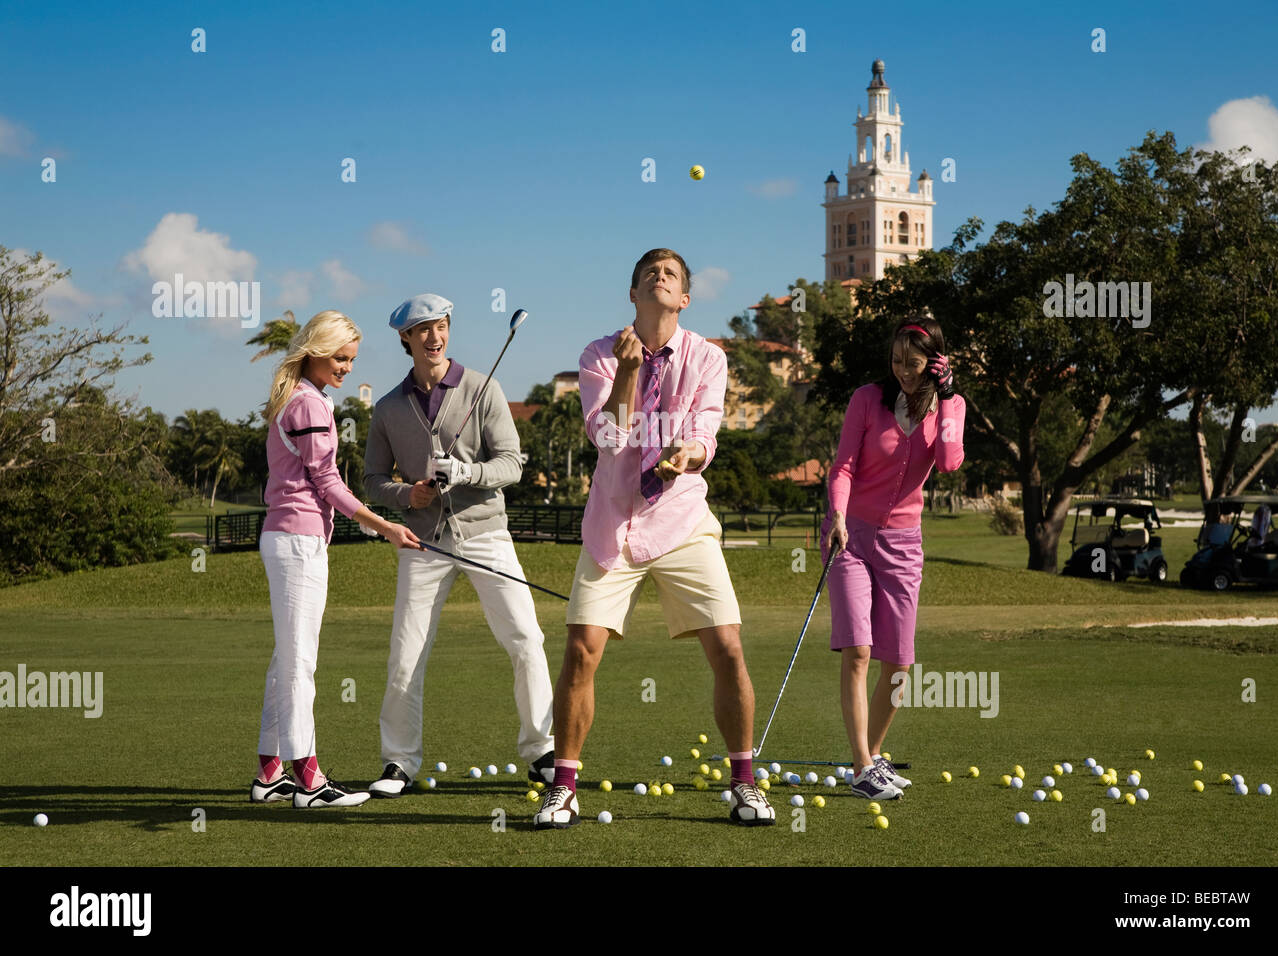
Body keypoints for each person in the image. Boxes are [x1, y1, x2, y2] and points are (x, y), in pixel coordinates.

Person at [533, 248, 775, 829]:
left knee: (729, 648)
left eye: (670, 275)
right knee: (581, 650)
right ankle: (563, 788)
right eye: (649, 274)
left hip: (682, 518)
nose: (659, 278)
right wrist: (628, 371)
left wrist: (686, 455)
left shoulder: (708, 357)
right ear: (634, 295)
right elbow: (610, 438)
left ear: (684, 298)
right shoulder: (599, 355)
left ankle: (744, 782)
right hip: (614, 521)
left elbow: (705, 434)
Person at [363, 294, 555, 797]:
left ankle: (541, 751)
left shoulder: (483, 387)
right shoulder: (387, 408)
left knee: (525, 638)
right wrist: (410, 493)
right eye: (422, 329)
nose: (434, 337)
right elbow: (372, 480)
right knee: (406, 653)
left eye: (441, 326)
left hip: (486, 532)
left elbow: (512, 464)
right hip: (422, 543)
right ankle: (399, 762)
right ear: (404, 338)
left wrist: (468, 472)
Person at [253, 310, 422, 809]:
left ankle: (269, 773)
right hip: (297, 542)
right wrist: (387, 526)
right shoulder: (308, 405)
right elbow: (328, 484)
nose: (347, 368)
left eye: (352, 359)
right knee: (300, 663)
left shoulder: (304, 398)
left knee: (288, 659)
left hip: (290, 538)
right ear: (316, 354)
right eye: (340, 358)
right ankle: (309, 782)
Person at [822, 315, 966, 802]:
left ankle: (873, 756)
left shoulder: (951, 406)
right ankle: (863, 767)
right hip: (850, 537)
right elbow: (842, 465)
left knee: (900, 664)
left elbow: (948, 462)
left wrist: (946, 398)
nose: (902, 370)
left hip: (904, 545)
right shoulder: (866, 398)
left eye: (914, 362)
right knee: (859, 651)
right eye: (896, 360)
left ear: (935, 363)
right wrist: (837, 516)